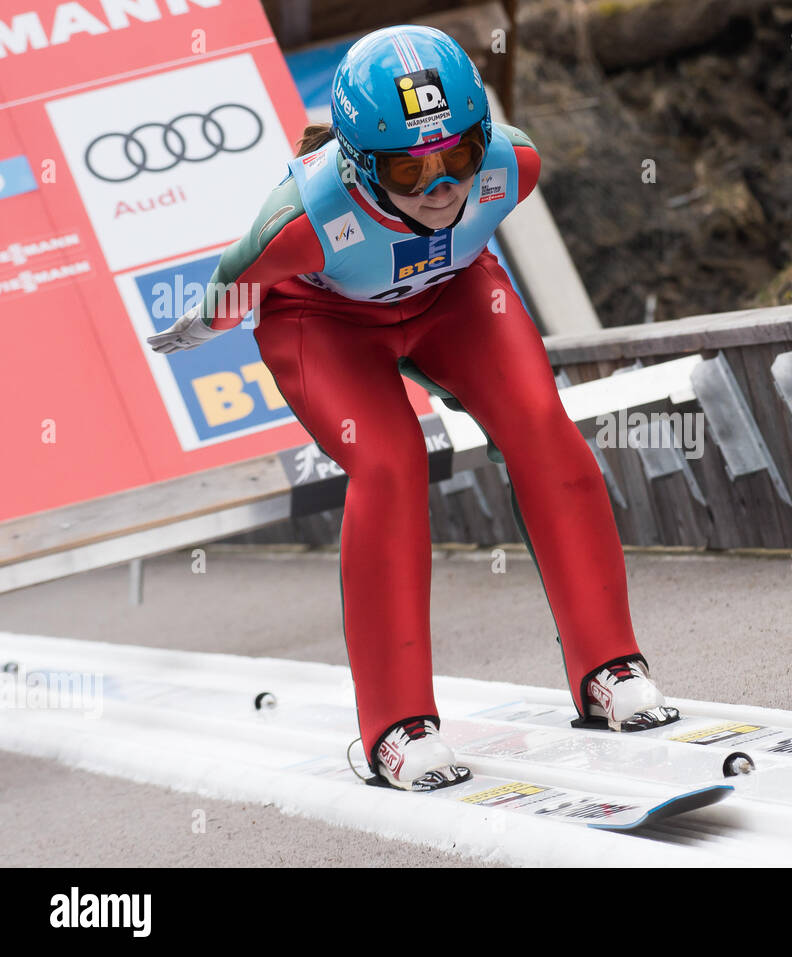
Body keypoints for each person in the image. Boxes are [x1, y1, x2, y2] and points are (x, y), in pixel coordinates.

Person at [147, 25, 676, 792]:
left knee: (541, 426)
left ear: (481, 140)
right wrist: (194, 327)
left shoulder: (513, 164)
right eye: (408, 169)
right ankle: (395, 726)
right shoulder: (302, 218)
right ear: (360, 167)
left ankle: (609, 666)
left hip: (452, 296)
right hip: (325, 323)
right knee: (391, 463)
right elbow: (232, 289)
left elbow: (462, 198)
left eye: (457, 158)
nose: (439, 187)